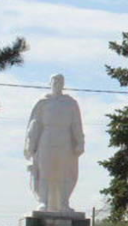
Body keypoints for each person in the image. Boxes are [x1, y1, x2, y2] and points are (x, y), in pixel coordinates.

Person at [24, 74, 84, 214]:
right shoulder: (43, 103)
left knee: (66, 173)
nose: (58, 83)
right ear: (49, 83)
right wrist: (30, 144)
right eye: (55, 81)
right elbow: (35, 124)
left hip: (65, 140)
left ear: (64, 84)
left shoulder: (70, 103)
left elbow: (76, 124)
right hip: (47, 139)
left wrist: (80, 142)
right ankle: (43, 201)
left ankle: (64, 203)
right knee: (44, 171)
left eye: (60, 81)